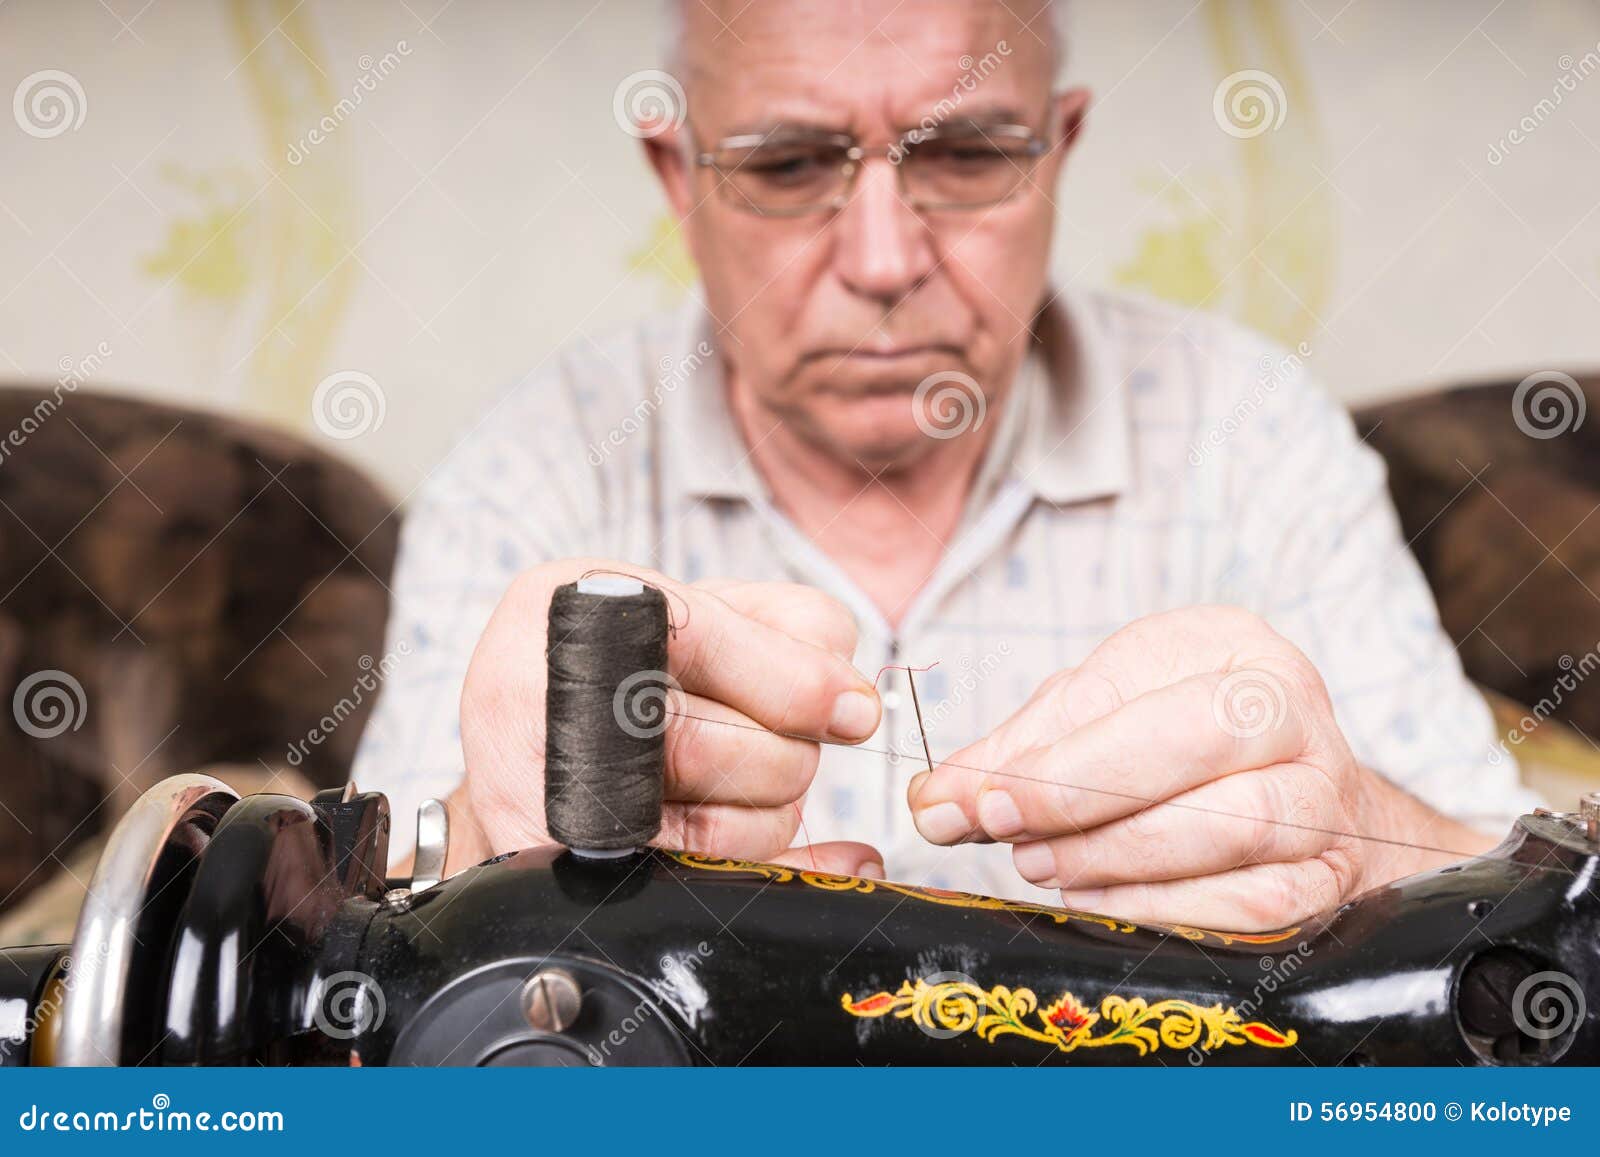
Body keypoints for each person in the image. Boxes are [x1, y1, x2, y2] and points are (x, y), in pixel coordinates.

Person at [350, 0, 1536, 931]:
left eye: (966, 153)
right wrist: (477, 841)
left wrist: (1355, 836)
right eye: (786, 166)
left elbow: (1532, 906)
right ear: (681, 177)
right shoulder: (535, 463)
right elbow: (341, 948)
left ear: (1058, 150)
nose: (881, 260)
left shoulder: (1252, 432)